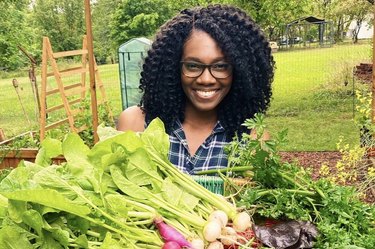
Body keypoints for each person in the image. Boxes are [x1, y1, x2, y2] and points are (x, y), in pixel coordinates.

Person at [117, 4, 274, 174]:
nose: (206, 79)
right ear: (172, 67)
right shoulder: (135, 124)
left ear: (240, 71)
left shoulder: (252, 139)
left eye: (220, 66)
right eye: (192, 65)